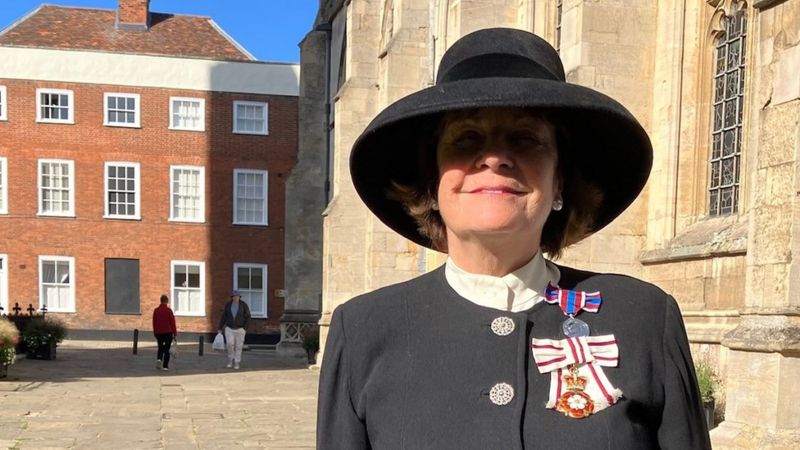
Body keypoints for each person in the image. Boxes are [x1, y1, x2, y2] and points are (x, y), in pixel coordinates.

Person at [317, 28, 711, 449]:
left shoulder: (644, 318)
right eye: (466, 139)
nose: (495, 158)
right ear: (432, 184)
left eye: (525, 139)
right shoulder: (363, 330)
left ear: (559, 182)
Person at [218, 290, 250, 370]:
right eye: (234, 296)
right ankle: (230, 360)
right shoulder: (228, 305)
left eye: (237, 296)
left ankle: (237, 362)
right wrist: (220, 328)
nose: (236, 298)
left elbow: (248, 317)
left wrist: (245, 328)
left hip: (240, 329)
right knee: (229, 344)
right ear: (232, 297)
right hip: (229, 328)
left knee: (239, 346)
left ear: (239, 297)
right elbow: (223, 317)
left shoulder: (243, 305)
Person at [152, 294, 176, 371]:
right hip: (168, 332)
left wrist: (155, 332)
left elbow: (154, 322)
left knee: (160, 347)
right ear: (167, 301)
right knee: (167, 349)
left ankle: (159, 359)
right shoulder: (169, 311)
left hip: (159, 332)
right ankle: (165, 366)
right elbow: (172, 322)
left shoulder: (156, 310)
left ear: (160, 301)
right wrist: (175, 333)